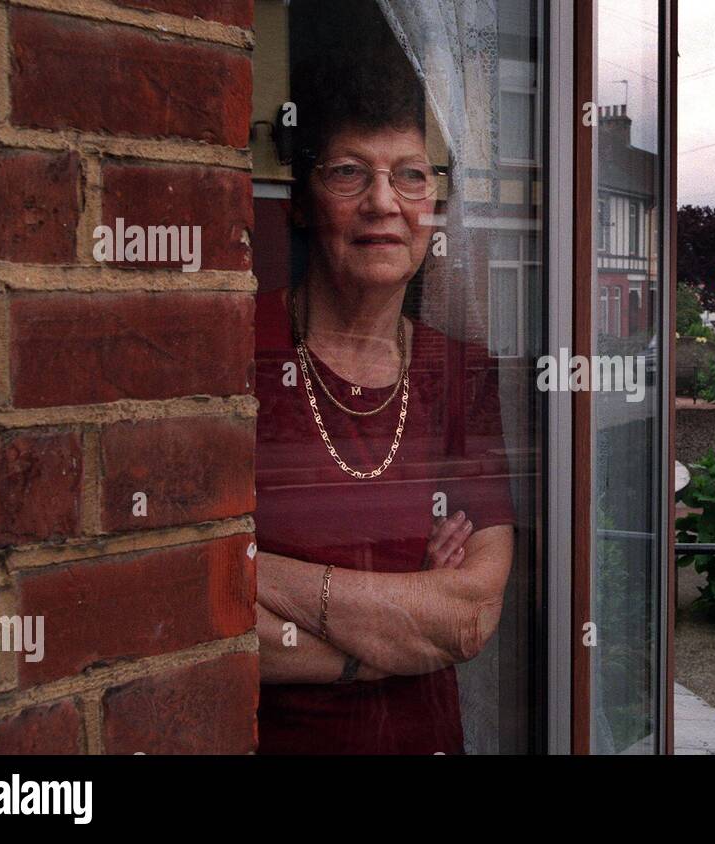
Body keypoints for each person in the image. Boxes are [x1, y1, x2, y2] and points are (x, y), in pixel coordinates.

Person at [252, 54, 515, 754]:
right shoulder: (238, 353)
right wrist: (397, 626)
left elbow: (469, 617)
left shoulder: (460, 374)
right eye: (348, 172)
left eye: (410, 175)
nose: (382, 202)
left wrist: (268, 577)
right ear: (303, 202)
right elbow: (206, 609)